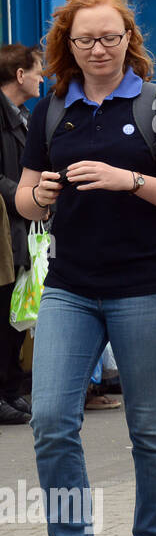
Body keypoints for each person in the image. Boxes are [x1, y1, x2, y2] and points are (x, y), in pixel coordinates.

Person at [17, 0, 156, 536]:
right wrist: (37, 196)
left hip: (147, 284)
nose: (100, 48)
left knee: (149, 427)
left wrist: (128, 180)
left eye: (111, 37)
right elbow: (23, 195)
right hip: (71, 285)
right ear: (67, 45)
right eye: (86, 38)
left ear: (129, 40)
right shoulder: (51, 109)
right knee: (49, 421)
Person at [0, 42, 43, 424]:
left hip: (22, 229)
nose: (42, 77)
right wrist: (25, 196)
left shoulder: (26, 116)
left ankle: (11, 391)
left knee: (14, 315)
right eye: (37, 70)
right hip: (7, 227)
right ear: (19, 75)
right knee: (3, 313)